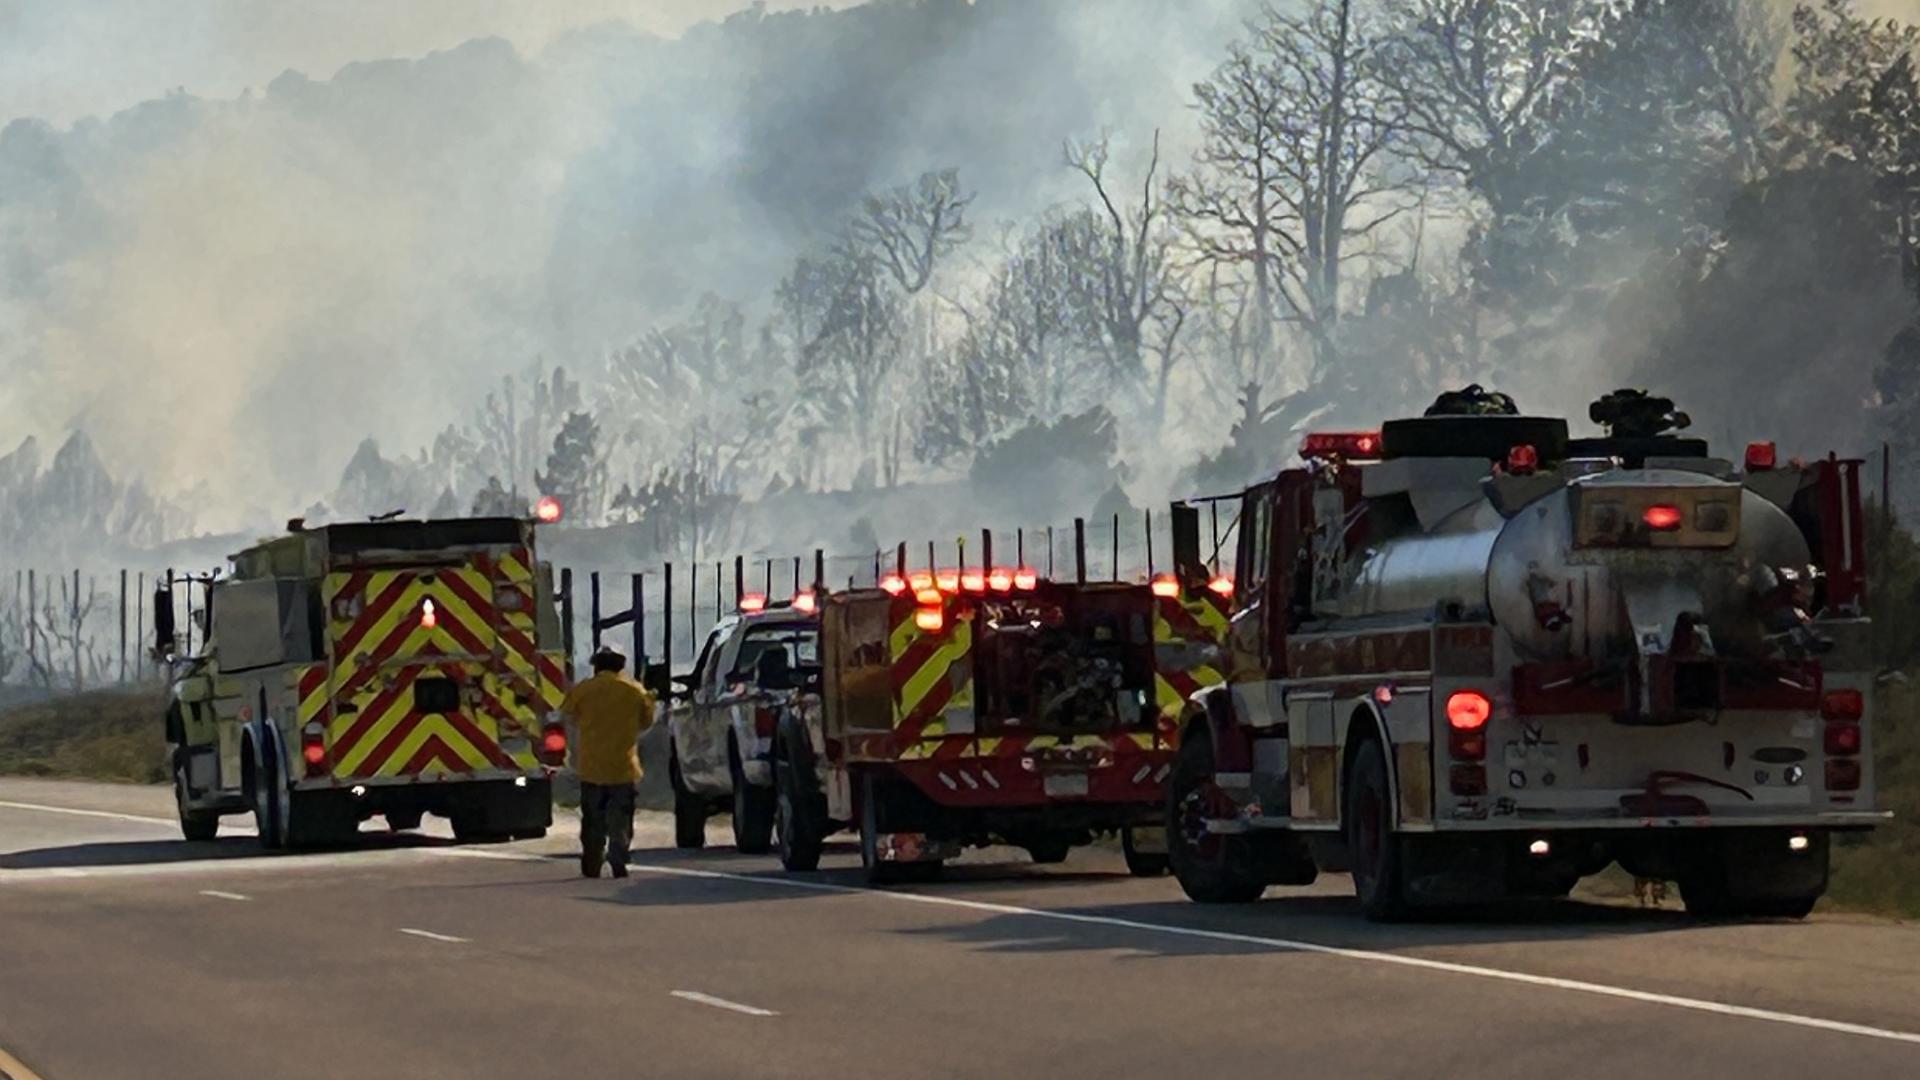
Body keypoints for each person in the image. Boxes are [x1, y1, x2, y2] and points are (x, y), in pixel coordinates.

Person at [558, 646, 656, 879]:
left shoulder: (583, 690)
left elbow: (568, 715)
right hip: (624, 767)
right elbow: (646, 722)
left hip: (591, 767)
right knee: (621, 816)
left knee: (593, 818)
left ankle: (592, 860)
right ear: (621, 666)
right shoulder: (635, 690)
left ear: (596, 666)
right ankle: (619, 853)